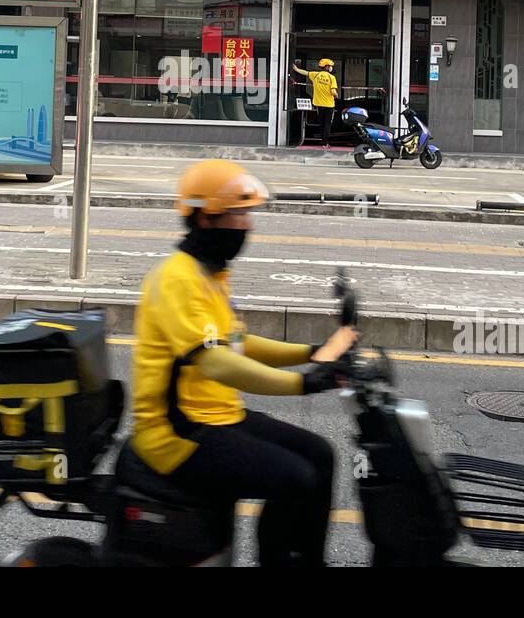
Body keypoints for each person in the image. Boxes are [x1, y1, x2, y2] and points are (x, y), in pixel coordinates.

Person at [129, 159, 359, 567]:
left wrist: (311, 352)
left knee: (320, 456)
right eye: (238, 213)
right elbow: (217, 363)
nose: (247, 225)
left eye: (247, 213)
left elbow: (238, 344)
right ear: (205, 216)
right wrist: (303, 384)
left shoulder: (210, 274)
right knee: (296, 479)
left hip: (218, 417)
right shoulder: (177, 279)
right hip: (177, 434)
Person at [292, 57, 339, 146]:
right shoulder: (332, 77)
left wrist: (296, 69)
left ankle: (322, 141)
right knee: (327, 124)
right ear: (327, 67)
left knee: (321, 123)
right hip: (329, 105)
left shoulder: (315, 75)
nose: (331, 67)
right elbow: (333, 91)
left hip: (319, 104)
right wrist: (336, 95)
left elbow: (305, 72)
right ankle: (325, 143)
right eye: (330, 66)